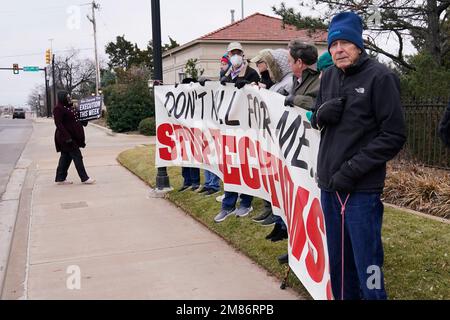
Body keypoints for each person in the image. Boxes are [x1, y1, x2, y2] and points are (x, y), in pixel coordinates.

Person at [310, 12, 406, 300]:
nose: (338, 49)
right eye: (333, 44)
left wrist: (352, 169)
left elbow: (393, 135)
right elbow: (315, 118)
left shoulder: (381, 77)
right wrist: (319, 115)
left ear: (358, 45)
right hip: (329, 188)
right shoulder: (327, 77)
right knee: (339, 266)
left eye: (345, 43)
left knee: (369, 265)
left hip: (361, 191)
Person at [214, 42, 260, 223]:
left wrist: (247, 84)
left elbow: (259, 91)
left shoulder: (251, 72)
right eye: (232, 53)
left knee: (246, 165)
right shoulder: (225, 73)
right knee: (231, 167)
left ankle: (246, 202)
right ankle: (228, 205)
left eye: (238, 53)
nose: (235, 55)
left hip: (246, 127)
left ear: (243, 54)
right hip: (230, 129)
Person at [54, 90, 95, 185]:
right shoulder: (58, 108)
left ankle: (60, 178)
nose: (69, 97)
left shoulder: (71, 107)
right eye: (67, 96)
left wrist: (86, 118)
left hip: (74, 137)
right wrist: (67, 137)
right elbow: (58, 124)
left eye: (69, 96)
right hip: (66, 138)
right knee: (77, 156)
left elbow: (78, 119)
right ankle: (84, 178)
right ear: (62, 97)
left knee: (65, 158)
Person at [178, 77, 201, 192]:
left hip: (194, 131)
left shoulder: (196, 98)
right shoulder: (181, 98)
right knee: (185, 158)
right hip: (183, 131)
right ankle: (187, 181)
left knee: (193, 158)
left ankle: (195, 182)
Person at [284, 40, 320, 110]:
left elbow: (320, 105)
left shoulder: (322, 79)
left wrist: (295, 99)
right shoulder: (296, 77)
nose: (288, 64)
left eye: (289, 61)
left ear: (299, 62)